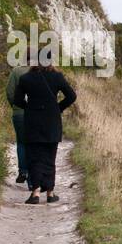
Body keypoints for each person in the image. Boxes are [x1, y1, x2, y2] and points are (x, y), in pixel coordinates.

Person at [12, 64, 76, 204]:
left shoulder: (25, 78)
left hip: (32, 122)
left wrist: (29, 108)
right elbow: (71, 96)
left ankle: (35, 193)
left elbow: (17, 100)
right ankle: (50, 193)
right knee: (49, 157)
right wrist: (58, 108)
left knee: (34, 157)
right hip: (52, 121)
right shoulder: (57, 76)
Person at [5, 64, 30, 186]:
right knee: (34, 143)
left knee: (21, 142)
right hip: (37, 113)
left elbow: (10, 92)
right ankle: (32, 174)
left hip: (19, 112)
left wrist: (15, 106)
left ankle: (23, 172)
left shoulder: (16, 71)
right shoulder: (40, 70)